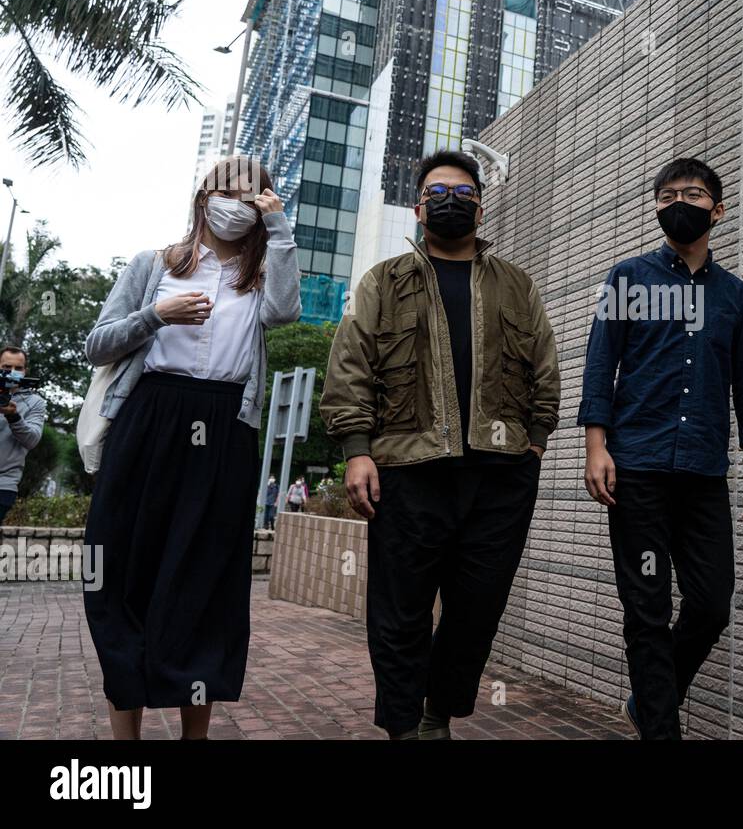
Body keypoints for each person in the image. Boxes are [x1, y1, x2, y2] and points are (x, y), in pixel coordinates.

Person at [321, 149, 559, 740]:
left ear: (481, 203)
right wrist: (357, 449)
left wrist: (534, 444)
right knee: (399, 610)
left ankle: (439, 712)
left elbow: (544, 368)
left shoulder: (516, 285)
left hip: (501, 474)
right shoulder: (384, 281)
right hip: (407, 470)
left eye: (462, 191)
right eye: (437, 192)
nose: (450, 200)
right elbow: (350, 366)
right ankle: (404, 727)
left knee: (477, 610)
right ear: (418, 207)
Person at [82, 155, 301, 740]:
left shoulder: (258, 278)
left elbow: (285, 312)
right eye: (226, 189)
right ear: (202, 197)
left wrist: (279, 228)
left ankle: (193, 738)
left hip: (224, 429)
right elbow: (97, 345)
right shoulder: (153, 264)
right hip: (149, 418)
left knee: (205, 580)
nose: (237, 200)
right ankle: (125, 739)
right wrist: (156, 314)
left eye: (253, 194)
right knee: (120, 569)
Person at [578, 157, 743, 740]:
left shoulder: (737, 296)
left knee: (711, 603)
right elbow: (600, 363)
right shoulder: (627, 279)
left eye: (691, 193)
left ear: (718, 207)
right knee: (647, 610)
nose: (678, 203)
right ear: (657, 208)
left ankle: (647, 702)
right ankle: (662, 730)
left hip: (702, 471)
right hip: (635, 467)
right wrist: (595, 446)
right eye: (666, 196)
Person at [0, 346, 46, 525]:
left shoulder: (35, 403)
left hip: (4, 484)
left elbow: (32, 439)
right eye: (6, 367)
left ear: (25, 370)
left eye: (18, 368)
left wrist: (13, 416)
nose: (12, 372)